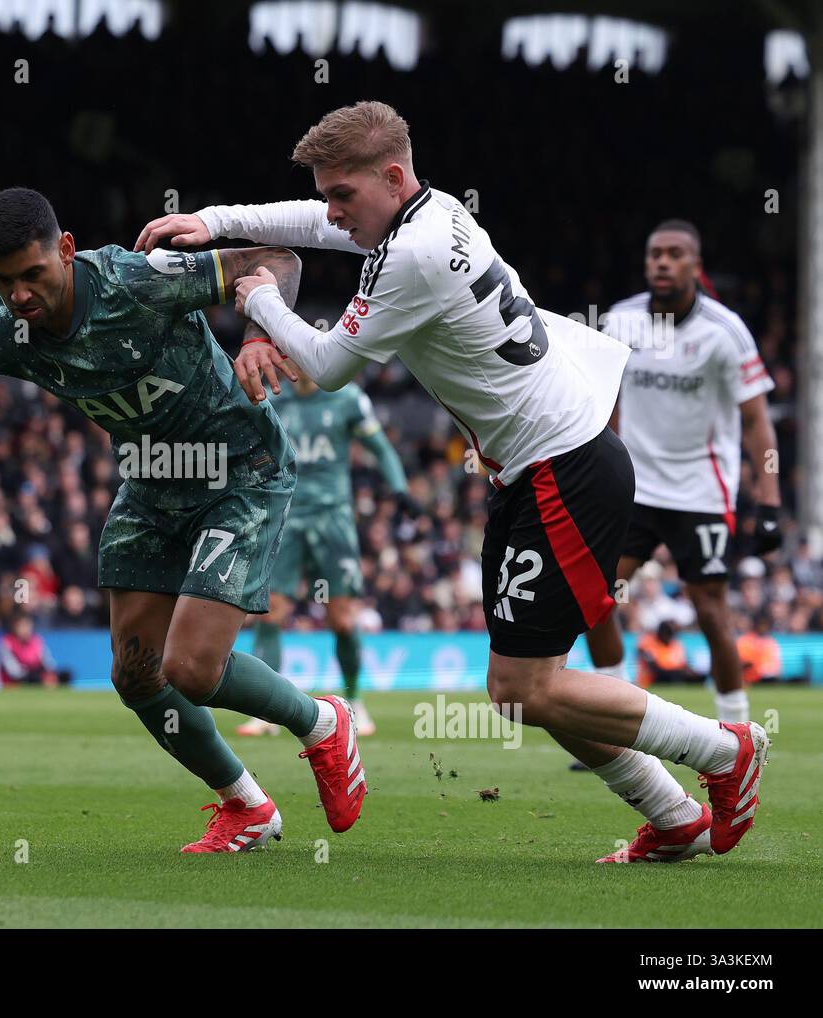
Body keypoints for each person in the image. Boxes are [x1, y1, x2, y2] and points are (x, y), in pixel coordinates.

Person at [136, 100, 768, 863]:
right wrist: (218, 220)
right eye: (329, 193)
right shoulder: (422, 211)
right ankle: (672, 817)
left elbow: (330, 367)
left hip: (563, 470)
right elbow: (318, 221)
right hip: (534, 470)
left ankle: (727, 751)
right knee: (525, 683)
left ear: (391, 176)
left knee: (524, 687)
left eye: (345, 195)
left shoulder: (415, 253)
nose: (334, 213)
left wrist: (257, 297)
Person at [0, 188, 367, 853]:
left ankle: (323, 724)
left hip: (240, 470)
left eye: (33, 274)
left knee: (191, 666)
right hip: (152, 484)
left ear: (65, 250)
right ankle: (245, 805)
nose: (20, 295)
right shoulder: (2, 328)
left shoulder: (136, 280)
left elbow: (276, 259)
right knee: (135, 671)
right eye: (4, 280)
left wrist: (260, 338)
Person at [588, 220, 780, 724]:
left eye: (675, 255)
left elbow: (757, 419)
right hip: (635, 488)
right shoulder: (621, 321)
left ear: (695, 265)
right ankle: (615, 718)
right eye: (655, 254)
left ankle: (738, 729)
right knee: (596, 596)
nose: (663, 263)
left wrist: (770, 502)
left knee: (710, 609)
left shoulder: (725, 331)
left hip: (701, 494)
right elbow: (604, 402)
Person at [238, 365, 409, 736]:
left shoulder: (347, 398)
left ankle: (355, 702)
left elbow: (379, 446)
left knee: (344, 620)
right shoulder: (273, 401)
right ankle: (266, 712)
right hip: (285, 516)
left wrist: (398, 488)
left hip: (333, 518)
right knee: (270, 614)